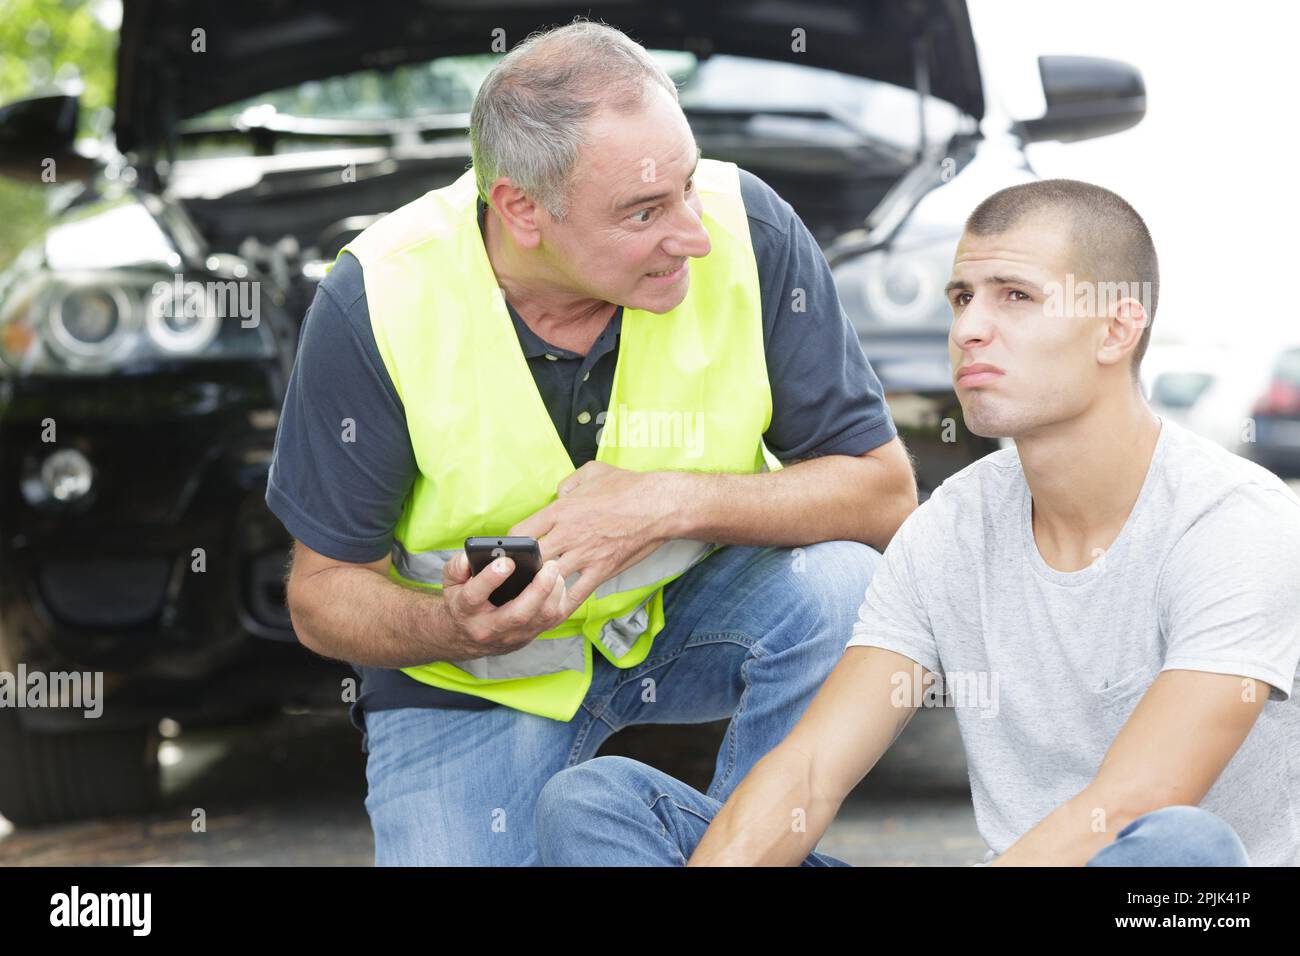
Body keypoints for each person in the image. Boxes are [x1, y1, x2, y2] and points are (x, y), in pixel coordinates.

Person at [265, 20, 917, 865]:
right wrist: (458, 626)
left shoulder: (747, 225)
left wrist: (665, 502)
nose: (693, 234)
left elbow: (883, 495)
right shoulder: (379, 298)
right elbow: (321, 598)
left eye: (685, 184)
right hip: (472, 682)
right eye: (644, 211)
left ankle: (744, 855)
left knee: (846, 585)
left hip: (686, 620)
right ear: (521, 210)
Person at [534, 178, 1300, 866]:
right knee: (601, 803)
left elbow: (1129, 806)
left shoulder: (1232, 524)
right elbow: (808, 774)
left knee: (1181, 846)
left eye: (1015, 296)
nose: (969, 328)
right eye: (962, 297)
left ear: (1115, 329)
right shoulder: (953, 527)